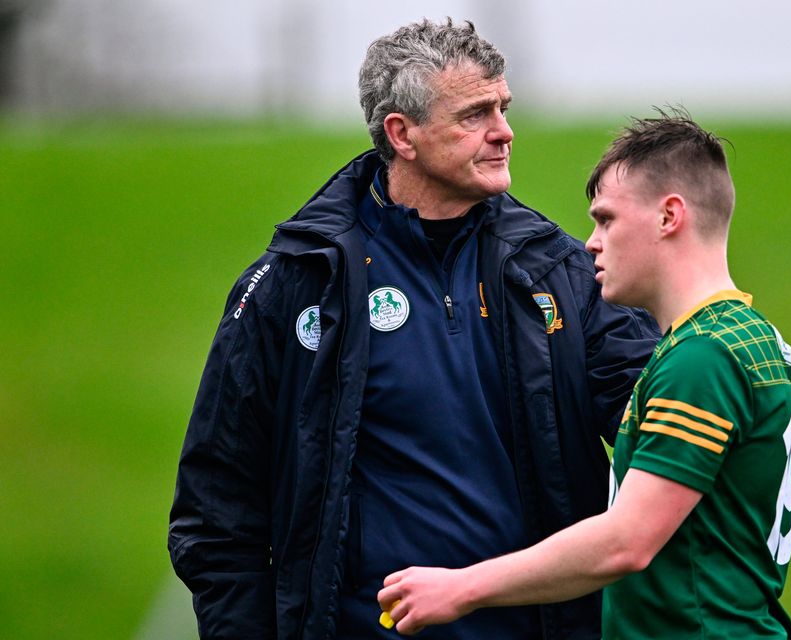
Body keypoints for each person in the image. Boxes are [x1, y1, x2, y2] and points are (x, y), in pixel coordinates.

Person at [168, 18, 659, 640]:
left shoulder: (558, 272)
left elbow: (661, 426)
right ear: (402, 134)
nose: (504, 132)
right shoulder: (294, 283)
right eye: (475, 114)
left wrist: (726, 356)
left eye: (503, 107)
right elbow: (216, 510)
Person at [377, 108, 791, 639]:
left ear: (669, 217)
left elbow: (626, 541)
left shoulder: (702, 357)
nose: (591, 242)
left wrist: (462, 588)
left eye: (607, 219)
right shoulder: (752, 338)